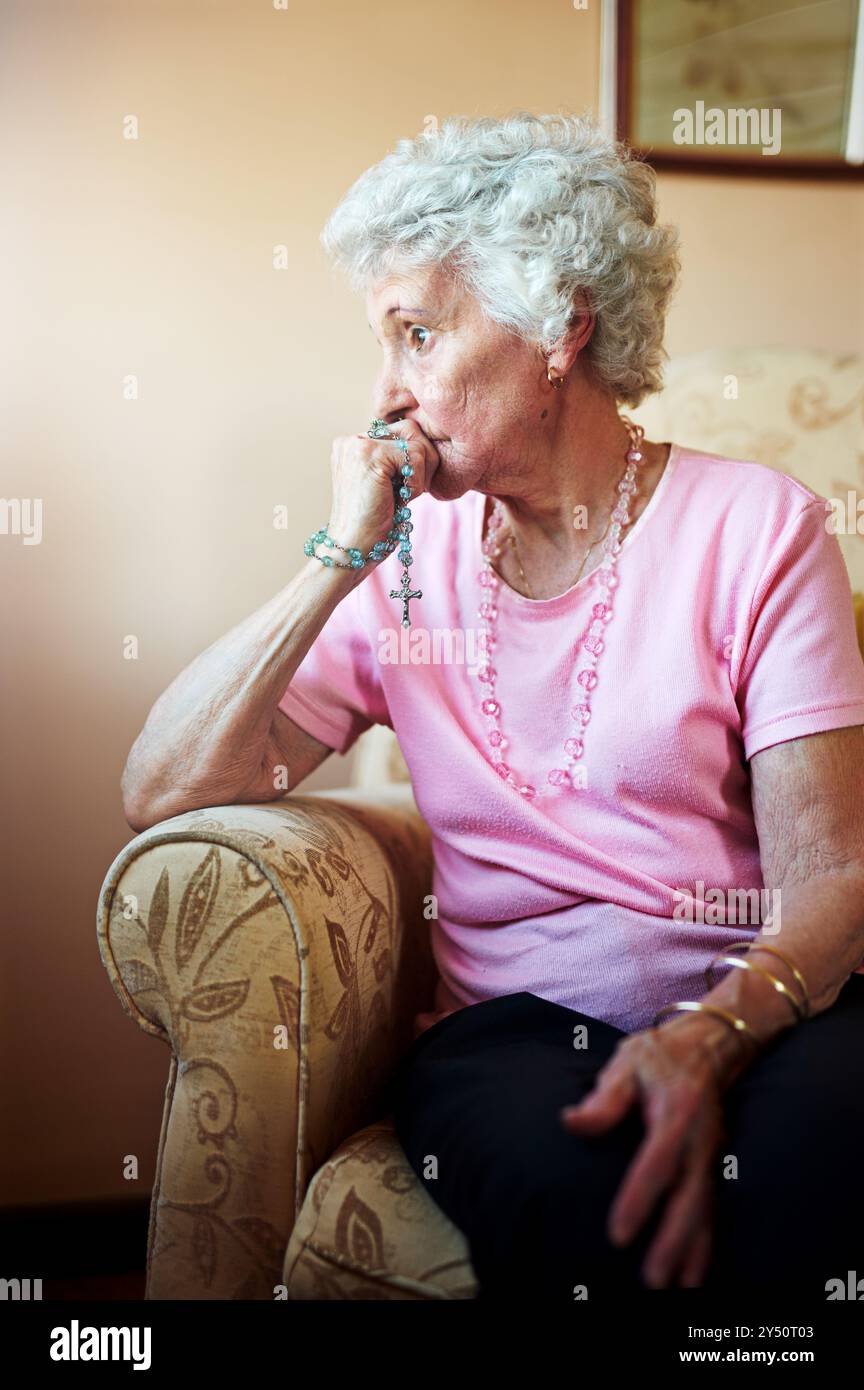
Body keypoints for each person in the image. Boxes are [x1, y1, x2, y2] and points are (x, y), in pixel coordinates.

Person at [121, 112, 864, 1298]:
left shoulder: (758, 531)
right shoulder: (407, 564)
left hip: (763, 1006)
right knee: (595, 1195)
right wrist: (337, 556)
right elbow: (162, 789)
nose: (386, 393)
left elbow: (830, 879)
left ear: (560, 325)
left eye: (418, 333)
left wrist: (713, 1034)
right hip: (514, 1033)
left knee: (813, 1172)